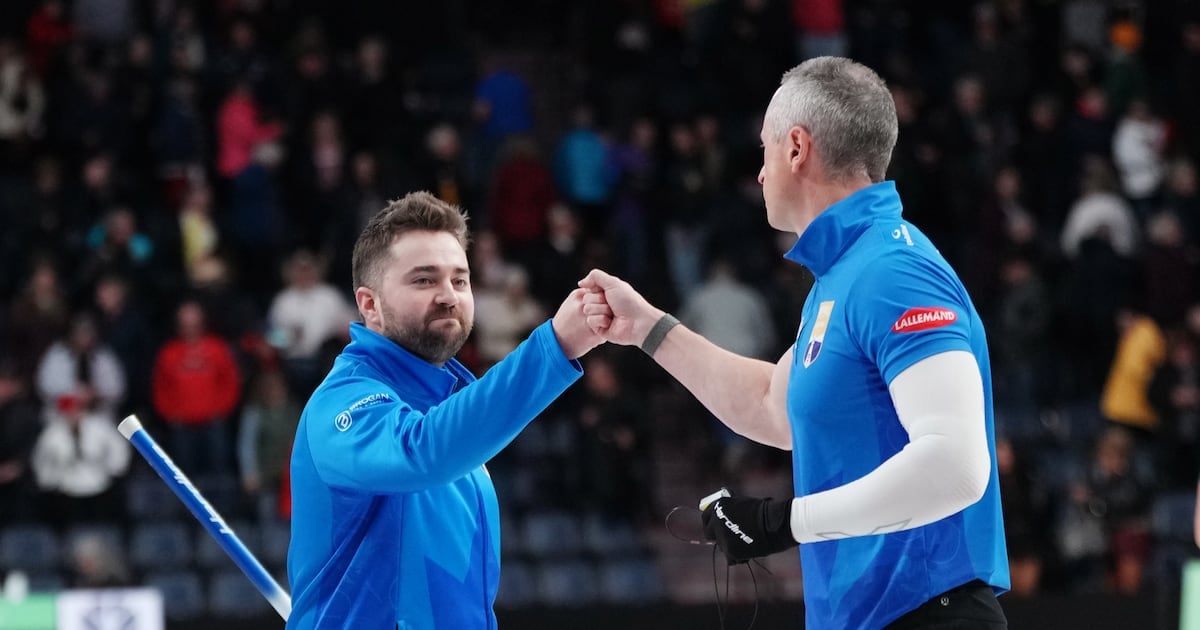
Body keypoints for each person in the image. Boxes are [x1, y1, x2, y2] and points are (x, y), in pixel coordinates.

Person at [581, 56, 1010, 629]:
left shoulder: (895, 272)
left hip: (927, 614)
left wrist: (782, 522)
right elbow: (771, 407)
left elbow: (956, 464)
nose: (759, 173)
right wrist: (649, 330)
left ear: (796, 148)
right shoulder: (845, 275)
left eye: (764, 150)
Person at [286, 191, 605, 629]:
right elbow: (421, 453)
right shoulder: (342, 401)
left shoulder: (449, 410)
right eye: (424, 280)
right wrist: (555, 346)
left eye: (460, 279)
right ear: (369, 305)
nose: (449, 295)